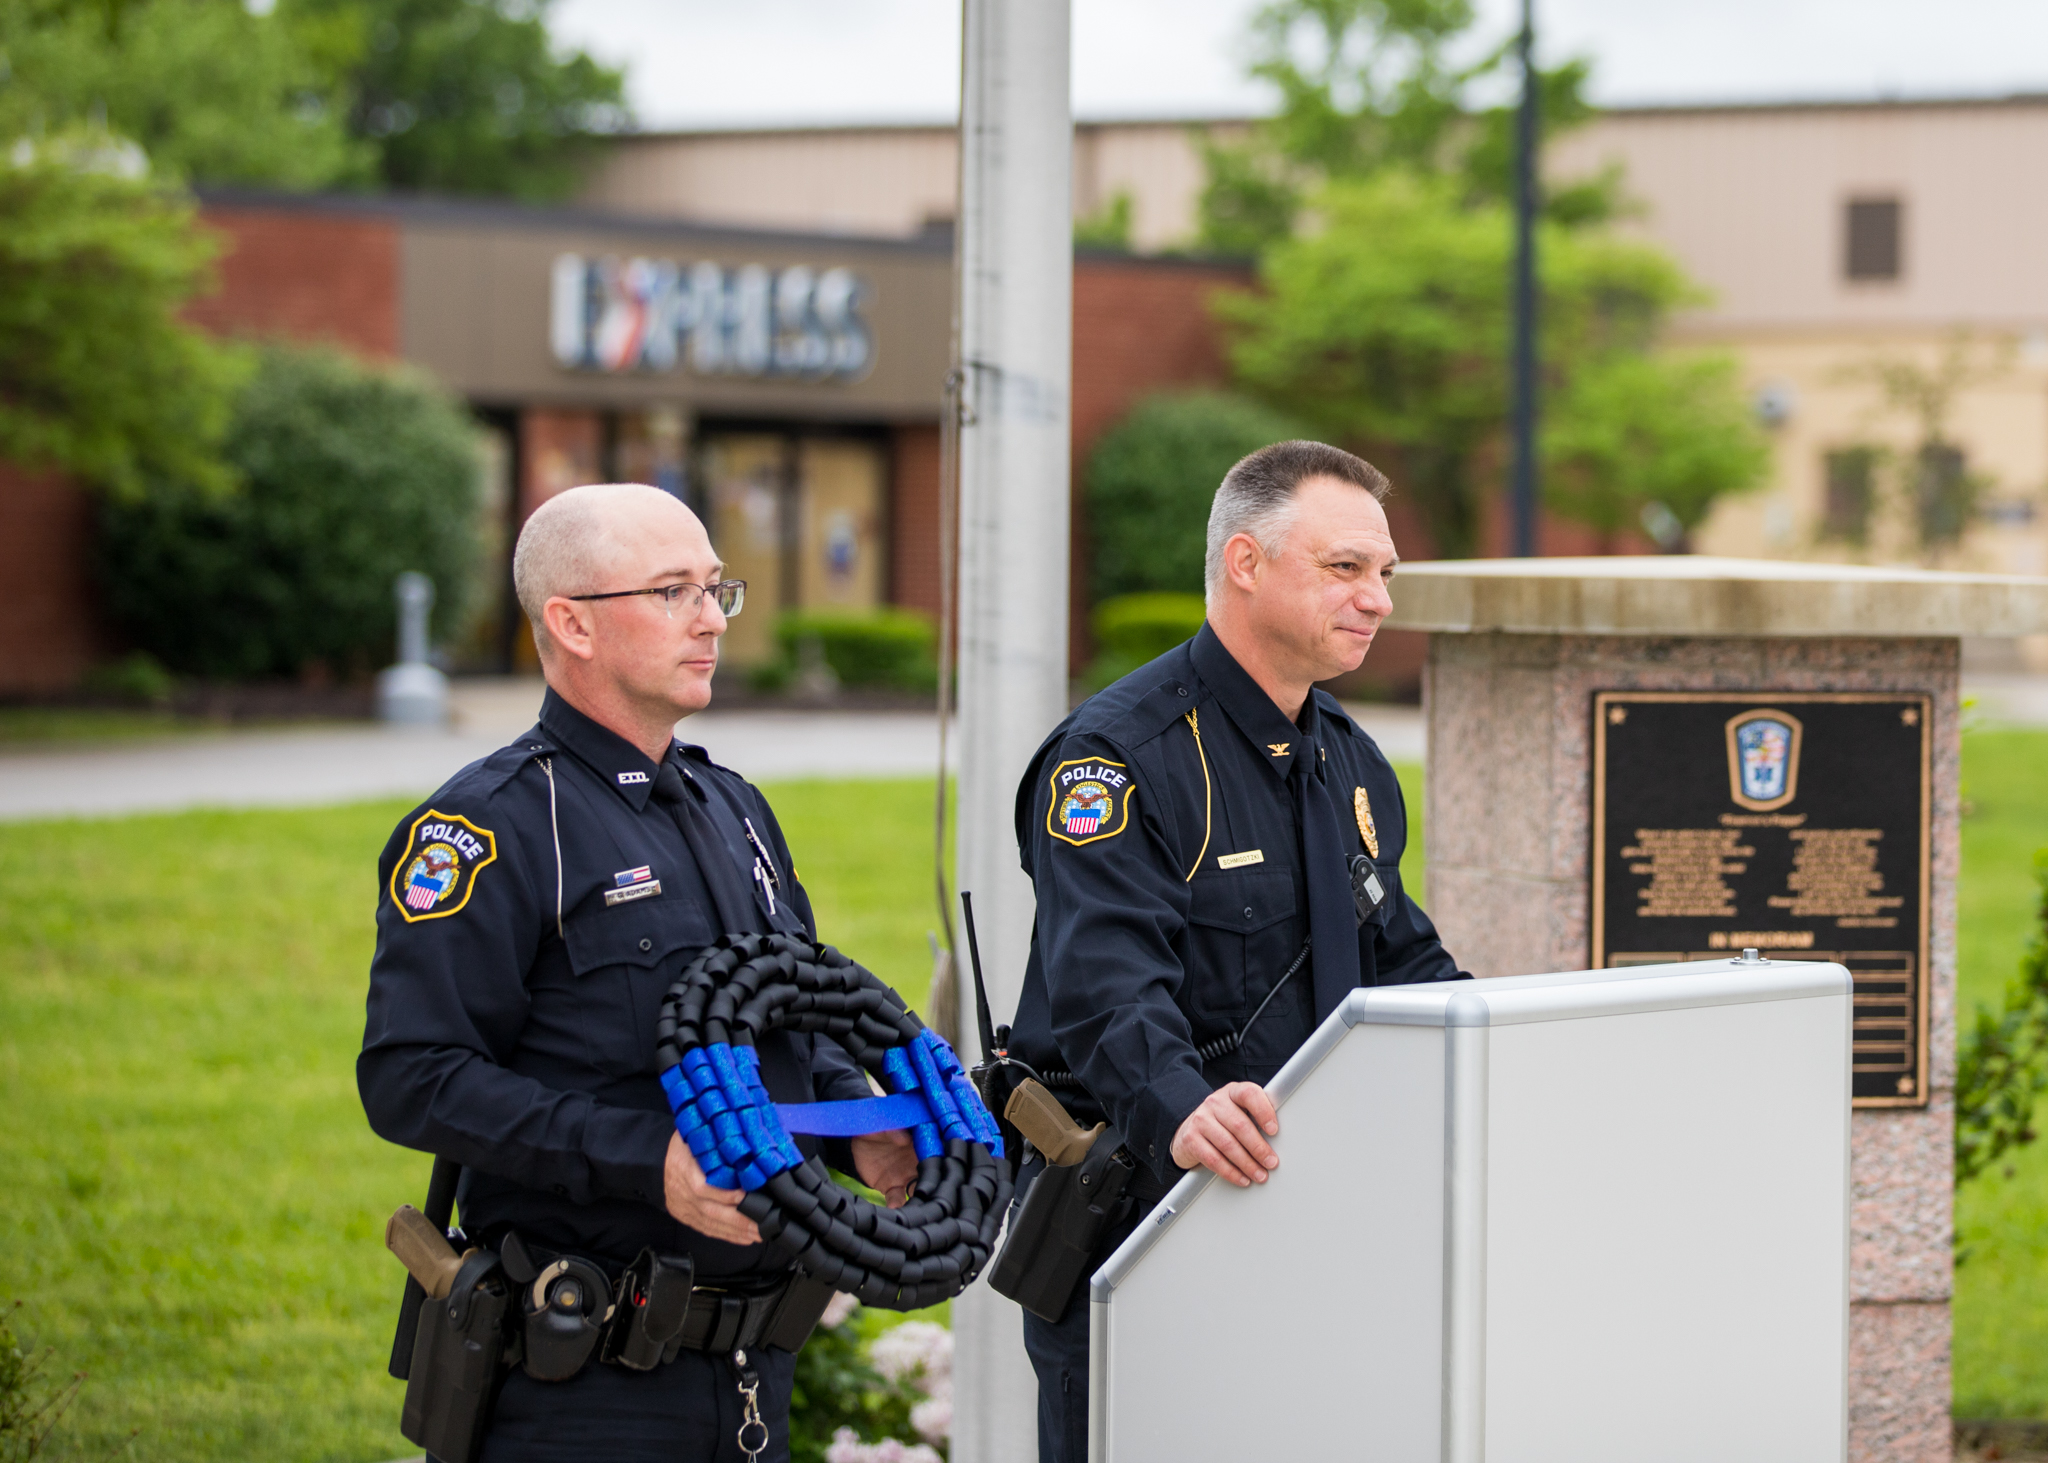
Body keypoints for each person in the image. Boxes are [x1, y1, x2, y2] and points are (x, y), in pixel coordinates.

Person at [358, 483, 918, 1463]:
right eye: (672, 592)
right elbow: (411, 1074)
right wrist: (645, 1158)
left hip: (753, 1368)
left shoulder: (732, 805)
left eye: (715, 588)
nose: (710, 619)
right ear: (570, 622)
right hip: (585, 1379)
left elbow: (791, 1019)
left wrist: (853, 1125)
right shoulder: (488, 825)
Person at [1005, 441, 1470, 1461]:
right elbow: (1105, 989)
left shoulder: (1345, 756)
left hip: (1311, 1220)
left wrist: (1503, 1055)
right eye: (1345, 567)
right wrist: (1182, 1108)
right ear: (1245, 564)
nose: (1378, 598)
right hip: (1151, 1218)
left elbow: (1401, 957)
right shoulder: (1114, 759)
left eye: (1382, 572)